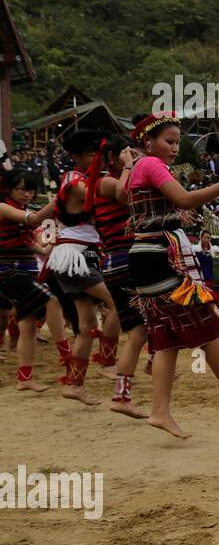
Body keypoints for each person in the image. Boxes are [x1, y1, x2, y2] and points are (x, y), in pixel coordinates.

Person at [126, 112, 219, 438]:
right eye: (168, 141)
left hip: (146, 256)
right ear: (148, 142)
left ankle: (161, 411)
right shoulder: (151, 166)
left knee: (167, 340)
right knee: (203, 320)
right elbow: (185, 198)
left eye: (177, 142)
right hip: (158, 257)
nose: (174, 148)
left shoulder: (138, 169)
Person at [46, 128, 120, 406]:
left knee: (87, 325)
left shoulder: (85, 177)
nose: (97, 159)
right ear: (75, 156)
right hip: (74, 256)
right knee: (118, 305)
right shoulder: (75, 180)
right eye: (92, 154)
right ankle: (108, 362)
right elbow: (99, 193)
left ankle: (75, 384)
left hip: (80, 254)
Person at [91, 133, 150, 418]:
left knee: (145, 327)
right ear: (112, 158)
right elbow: (123, 195)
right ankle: (121, 394)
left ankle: (150, 364)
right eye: (126, 154)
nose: (133, 157)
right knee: (138, 331)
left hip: (125, 262)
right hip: (122, 263)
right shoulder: (103, 181)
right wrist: (129, 166)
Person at [0, 169, 59, 391]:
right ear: (9, 189)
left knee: (28, 325)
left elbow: (41, 248)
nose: (26, 195)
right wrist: (58, 201)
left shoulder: (25, 211)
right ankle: (65, 352)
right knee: (49, 300)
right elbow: (35, 219)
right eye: (21, 190)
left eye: (30, 191)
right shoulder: (4, 207)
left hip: (25, 268)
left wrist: (53, 232)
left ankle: (24, 378)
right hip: (7, 269)